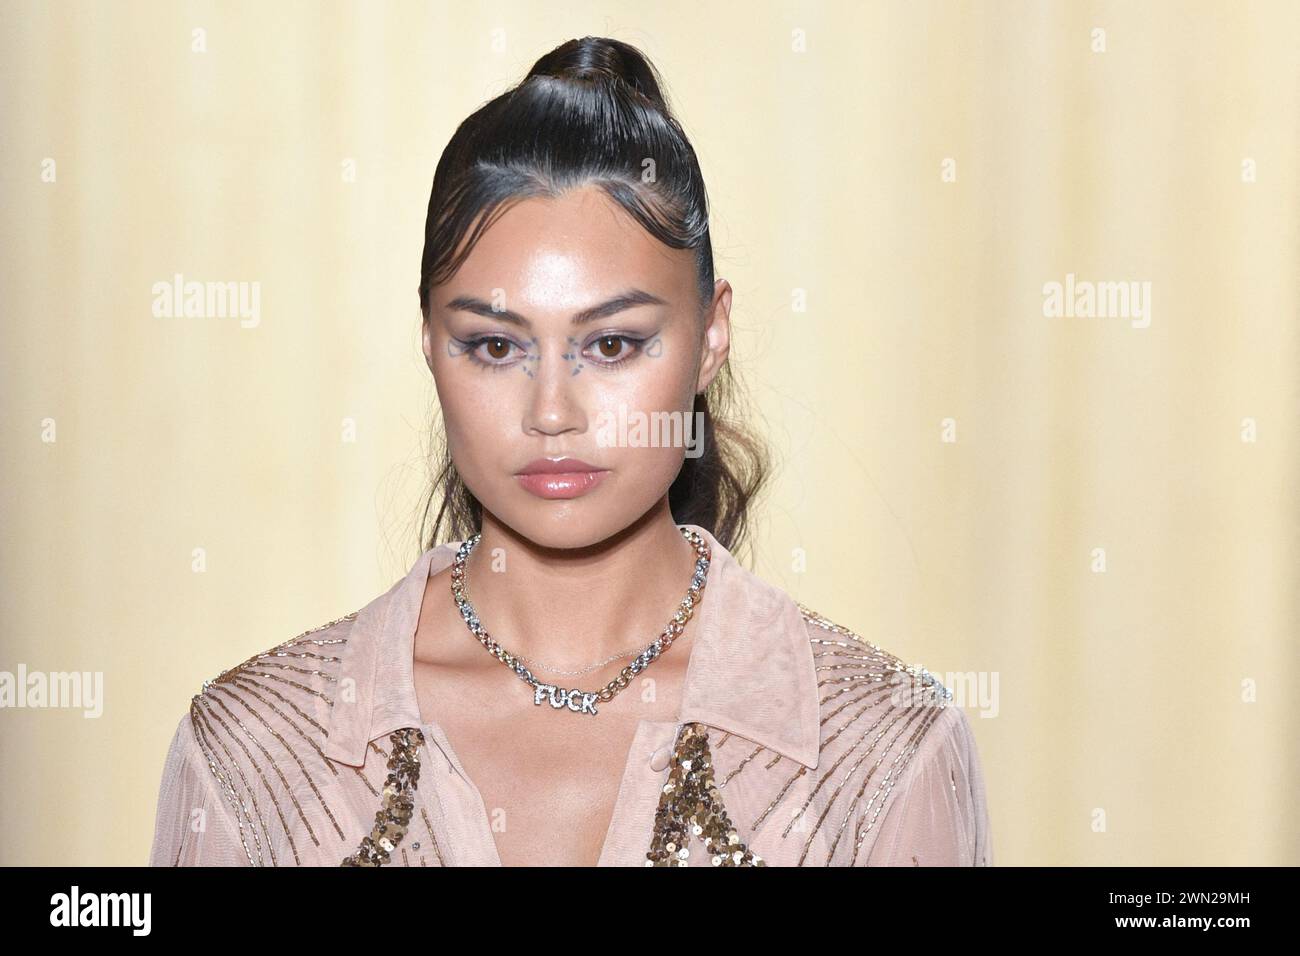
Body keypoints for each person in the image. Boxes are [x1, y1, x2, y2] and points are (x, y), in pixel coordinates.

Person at [148, 35, 990, 867]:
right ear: (430, 343)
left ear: (712, 334)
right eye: (495, 346)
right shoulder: (255, 760)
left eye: (614, 345)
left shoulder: (882, 754)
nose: (552, 412)